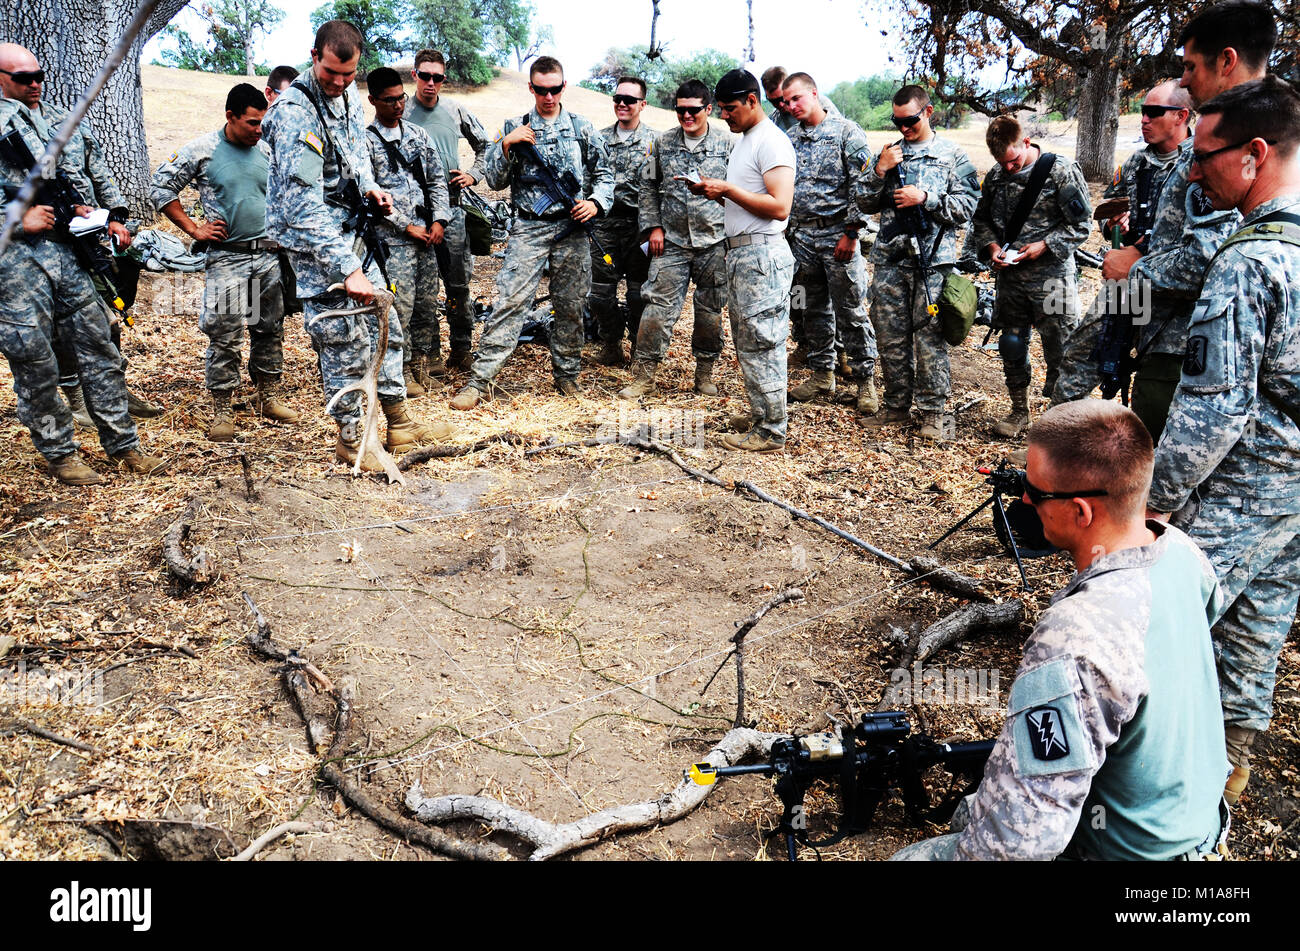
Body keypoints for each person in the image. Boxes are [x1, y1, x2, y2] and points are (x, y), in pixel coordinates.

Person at [893, 401, 1229, 860]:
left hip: (1120, 852)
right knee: (970, 811)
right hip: (1194, 822)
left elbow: (1019, 843)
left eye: (1035, 490)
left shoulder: (1077, 635)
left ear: (1081, 512)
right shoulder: (1184, 555)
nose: (1025, 499)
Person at [1146, 75, 1300, 808]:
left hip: (1244, 486)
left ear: (1255, 153)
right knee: (1260, 622)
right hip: (1294, 487)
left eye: (1205, 156)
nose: (1193, 168)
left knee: (1160, 623)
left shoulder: (1247, 260)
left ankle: (1155, 788)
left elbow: (1212, 412)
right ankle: (1229, 766)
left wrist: (1151, 504)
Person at [263, 20, 453, 470]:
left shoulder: (347, 95)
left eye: (349, 75)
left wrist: (370, 187)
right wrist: (346, 267)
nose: (340, 83)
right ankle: (353, 441)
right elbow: (301, 207)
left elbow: (354, 155)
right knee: (343, 337)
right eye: (332, 72)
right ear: (314, 56)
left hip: (355, 229)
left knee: (386, 325)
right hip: (317, 243)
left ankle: (398, 423)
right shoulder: (294, 112)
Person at [1098, 0, 1271, 441]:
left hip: (1198, 352)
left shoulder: (1236, 149)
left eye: (1191, 67)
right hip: (1175, 339)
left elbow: (1208, 256)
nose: (1186, 80)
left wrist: (1136, 267)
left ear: (1227, 61)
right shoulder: (1246, 134)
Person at [0, 97, 165, 483]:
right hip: (16, 271)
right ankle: (60, 454)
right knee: (36, 365)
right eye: (23, 77)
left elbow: (70, 182)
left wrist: (81, 212)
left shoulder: (47, 123)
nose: (36, 84)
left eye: (38, 74)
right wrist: (17, 219)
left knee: (100, 348)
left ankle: (124, 446)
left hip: (67, 257)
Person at [449, 56, 613, 410]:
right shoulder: (513, 126)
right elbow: (494, 180)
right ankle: (479, 383)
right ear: (531, 88)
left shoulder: (582, 128)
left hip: (571, 229)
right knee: (510, 303)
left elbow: (605, 176)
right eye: (541, 90)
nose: (548, 97)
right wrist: (507, 145)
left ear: (563, 87)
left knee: (570, 307)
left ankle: (567, 376)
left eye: (555, 89)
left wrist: (597, 203)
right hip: (529, 227)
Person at [151, 82, 300, 442]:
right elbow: (160, 187)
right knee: (226, 335)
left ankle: (268, 397)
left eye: (262, 121)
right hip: (228, 260)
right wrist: (193, 228)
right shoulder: (204, 150)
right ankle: (222, 408)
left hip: (267, 257)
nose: (258, 129)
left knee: (269, 329)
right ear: (230, 117)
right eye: (251, 122)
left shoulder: (267, 151)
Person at [1051, 82, 1194, 421]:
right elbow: (1105, 213)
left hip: (1173, 295)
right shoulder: (1136, 164)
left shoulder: (1199, 164)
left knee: (1159, 376)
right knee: (1081, 353)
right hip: (1124, 285)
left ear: (1181, 116)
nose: (1144, 119)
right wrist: (1115, 224)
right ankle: (1057, 441)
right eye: (1142, 112)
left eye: (1153, 112)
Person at [856, 84, 979, 441]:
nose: (903, 128)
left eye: (909, 120)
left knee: (930, 339)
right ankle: (896, 406)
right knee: (890, 337)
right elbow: (863, 202)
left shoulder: (952, 155)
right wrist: (879, 170)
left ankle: (933, 413)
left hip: (933, 263)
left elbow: (968, 206)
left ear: (928, 112)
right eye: (897, 121)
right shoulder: (889, 153)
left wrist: (926, 198)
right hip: (891, 260)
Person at [692, 69, 795, 453]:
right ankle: (763, 413)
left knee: (763, 341)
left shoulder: (771, 142)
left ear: (753, 100)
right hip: (742, 253)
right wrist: (716, 194)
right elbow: (749, 200)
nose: (723, 116)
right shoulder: (748, 140)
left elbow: (780, 207)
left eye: (729, 108)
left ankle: (772, 429)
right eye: (720, 108)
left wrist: (728, 188)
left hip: (762, 254)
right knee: (750, 340)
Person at [972, 114, 1091, 438]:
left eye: (1012, 160)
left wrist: (1045, 245)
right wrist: (992, 247)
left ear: (1025, 142)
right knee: (1011, 344)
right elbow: (981, 221)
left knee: (1061, 348)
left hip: (1052, 278)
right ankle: (1018, 411)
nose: (1008, 168)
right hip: (1011, 280)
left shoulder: (1060, 171)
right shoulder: (996, 177)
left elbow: (1082, 225)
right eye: (1001, 162)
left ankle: (1063, 421)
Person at [619, 79, 732, 400]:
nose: (686, 116)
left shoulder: (728, 146)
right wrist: (653, 227)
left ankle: (705, 373)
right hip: (672, 243)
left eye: (693, 110)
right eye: (680, 110)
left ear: (708, 109)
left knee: (710, 311)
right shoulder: (661, 144)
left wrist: (730, 241)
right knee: (656, 308)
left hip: (713, 242)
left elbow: (737, 195)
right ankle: (644, 377)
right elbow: (648, 188)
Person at [780, 72, 879, 416]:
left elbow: (862, 185)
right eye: (786, 101)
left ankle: (865, 380)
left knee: (851, 309)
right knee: (811, 308)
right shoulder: (789, 139)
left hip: (838, 235)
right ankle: (822, 373)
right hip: (802, 236)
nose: (791, 106)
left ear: (814, 94)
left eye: (797, 98)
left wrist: (852, 232)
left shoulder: (846, 132)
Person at [364, 67, 451, 400]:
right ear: (373, 100)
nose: (398, 105)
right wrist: (404, 225)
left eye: (401, 98)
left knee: (427, 305)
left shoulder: (418, 135)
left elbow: (435, 181)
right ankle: (400, 373)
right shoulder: (366, 142)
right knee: (400, 308)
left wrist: (439, 220)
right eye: (389, 100)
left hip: (426, 236)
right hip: (393, 241)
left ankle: (421, 368)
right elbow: (367, 196)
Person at [404, 48, 489, 378]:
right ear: (415, 75)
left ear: (443, 79)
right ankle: (429, 354)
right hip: (416, 215)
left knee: (457, 287)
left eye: (437, 77)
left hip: (452, 211)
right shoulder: (401, 109)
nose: (430, 83)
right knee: (421, 291)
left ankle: (462, 348)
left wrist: (473, 175)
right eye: (424, 76)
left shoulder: (455, 110)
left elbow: (486, 145)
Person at [588, 76, 655, 366]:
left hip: (639, 230)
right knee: (600, 295)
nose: (622, 104)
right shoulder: (598, 139)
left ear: (643, 104)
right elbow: (586, 179)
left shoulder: (655, 142)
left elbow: (659, 187)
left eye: (629, 100)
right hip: (603, 228)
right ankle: (611, 344)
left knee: (640, 295)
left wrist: (655, 227)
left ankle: (639, 348)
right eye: (618, 99)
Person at [759, 65, 841, 134]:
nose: (780, 104)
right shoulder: (773, 121)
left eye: (782, 98)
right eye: (774, 101)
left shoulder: (820, 104)